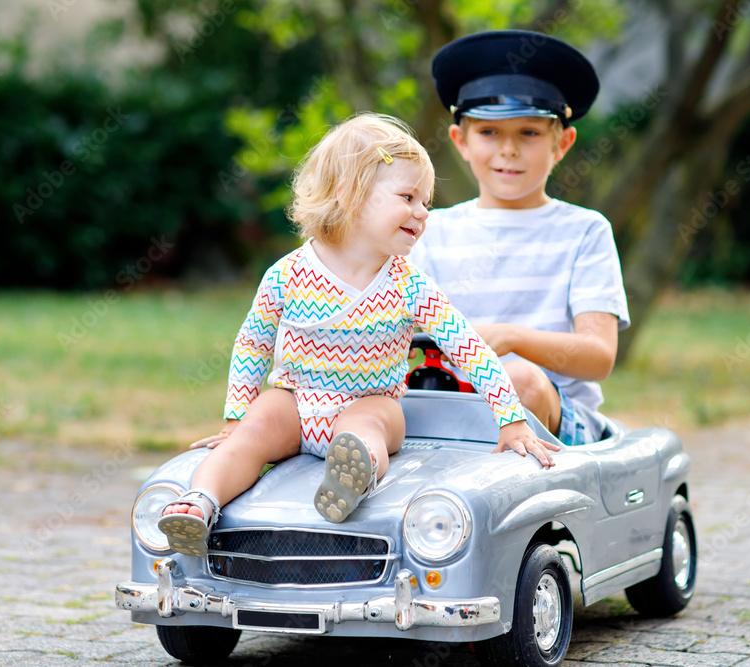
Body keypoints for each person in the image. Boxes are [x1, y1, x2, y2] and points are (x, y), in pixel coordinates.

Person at [158, 113, 560, 557]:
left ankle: (352, 476)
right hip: (296, 396)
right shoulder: (290, 273)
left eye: (425, 201)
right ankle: (199, 503)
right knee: (253, 432)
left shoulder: (409, 285)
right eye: (408, 197)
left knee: (366, 427)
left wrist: (512, 417)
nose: (423, 213)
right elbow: (254, 342)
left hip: (373, 401)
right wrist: (236, 416)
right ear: (351, 195)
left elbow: (465, 347)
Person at [409, 30, 631, 447]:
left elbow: (599, 356)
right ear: (460, 140)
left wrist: (511, 337)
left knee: (518, 378)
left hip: (556, 419)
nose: (508, 150)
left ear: (561, 143)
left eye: (528, 133)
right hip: (444, 411)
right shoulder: (429, 231)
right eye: (489, 133)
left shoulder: (584, 231)